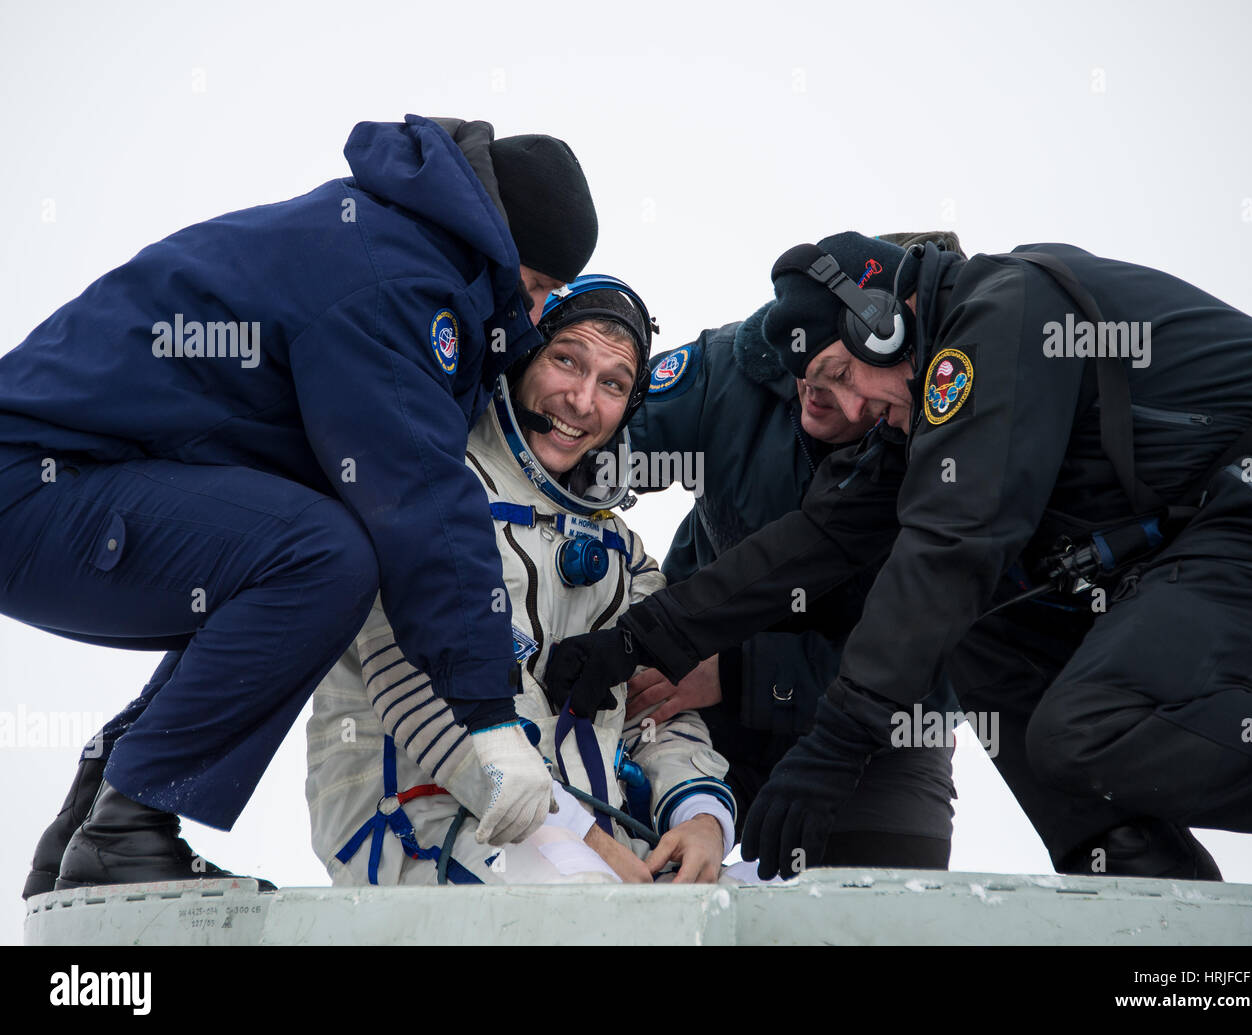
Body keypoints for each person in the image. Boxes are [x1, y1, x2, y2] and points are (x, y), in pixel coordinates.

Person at [544, 230, 1252, 881]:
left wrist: (834, 744)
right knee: (995, 643)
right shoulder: (914, 420)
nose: (851, 407)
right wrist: (637, 638)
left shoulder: (1001, 317)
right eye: (815, 384)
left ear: (884, 323)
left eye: (844, 376)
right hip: (1215, 523)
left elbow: (952, 548)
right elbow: (820, 539)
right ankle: (1157, 898)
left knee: (1083, 720)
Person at [12, 114, 597, 897]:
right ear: (496, 242)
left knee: (276, 552)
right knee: (322, 557)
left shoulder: (386, 241)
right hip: (34, 484)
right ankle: (129, 826)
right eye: (533, 288)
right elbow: (419, 496)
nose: (529, 312)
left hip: (62, 482)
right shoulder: (392, 280)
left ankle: (95, 824)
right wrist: (490, 715)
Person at [306, 277, 736, 885]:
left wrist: (699, 817)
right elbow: (411, 685)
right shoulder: (430, 484)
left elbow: (659, 704)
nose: (583, 402)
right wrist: (573, 836)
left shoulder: (623, 554)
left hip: (589, 857)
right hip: (423, 831)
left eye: (612, 384)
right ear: (521, 358)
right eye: (567, 361)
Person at [622, 233, 961, 869]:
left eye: (850, 379)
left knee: (884, 913)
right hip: (690, 687)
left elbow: (951, 671)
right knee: (634, 877)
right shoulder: (729, 369)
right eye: (818, 368)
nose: (821, 391)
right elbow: (601, 428)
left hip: (876, 730)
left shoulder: (957, 445)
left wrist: (741, 674)